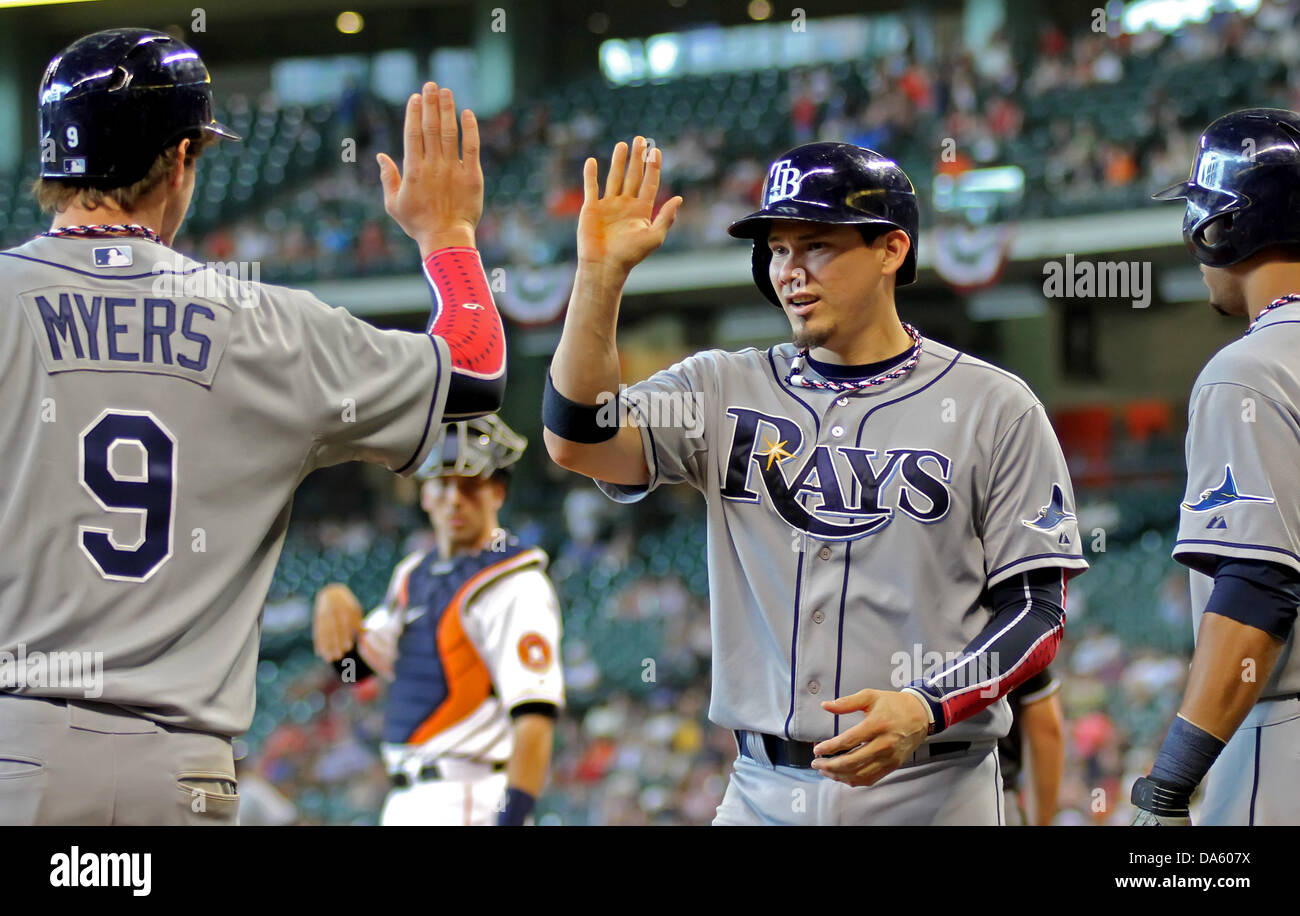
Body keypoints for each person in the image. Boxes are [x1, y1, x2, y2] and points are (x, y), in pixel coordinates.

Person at [0, 28, 501, 825]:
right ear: (181, 158)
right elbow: (473, 371)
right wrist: (448, 240)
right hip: (183, 774)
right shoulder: (262, 320)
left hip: (17, 759)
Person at [543, 138, 1087, 825]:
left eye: (816, 245)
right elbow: (578, 439)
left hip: (931, 789)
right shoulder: (719, 387)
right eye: (777, 250)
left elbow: (1038, 612)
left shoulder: (995, 406)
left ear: (891, 250)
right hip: (759, 788)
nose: (791, 272)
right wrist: (598, 276)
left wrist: (927, 704)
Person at [1134, 107, 1300, 826]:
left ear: (1220, 226)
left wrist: (1169, 782)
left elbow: (1259, 589)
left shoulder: (1251, 370)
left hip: (1282, 744)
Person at [313, 416, 563, 826]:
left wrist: (512, 815)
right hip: (408, 796)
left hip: (470, 795)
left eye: (470, 484)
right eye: (442, 483)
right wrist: (331, 608)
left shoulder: (515, 582)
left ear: (496, 492)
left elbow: (534, 716)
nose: (454, 498)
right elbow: (354, 672)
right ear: (424, 494)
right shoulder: (414, 574)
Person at [999, 666, 1065, 825]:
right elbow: (1048, 731)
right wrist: (1042, 822)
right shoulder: (1010, 641)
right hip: (994, 799)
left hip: (928, 786)